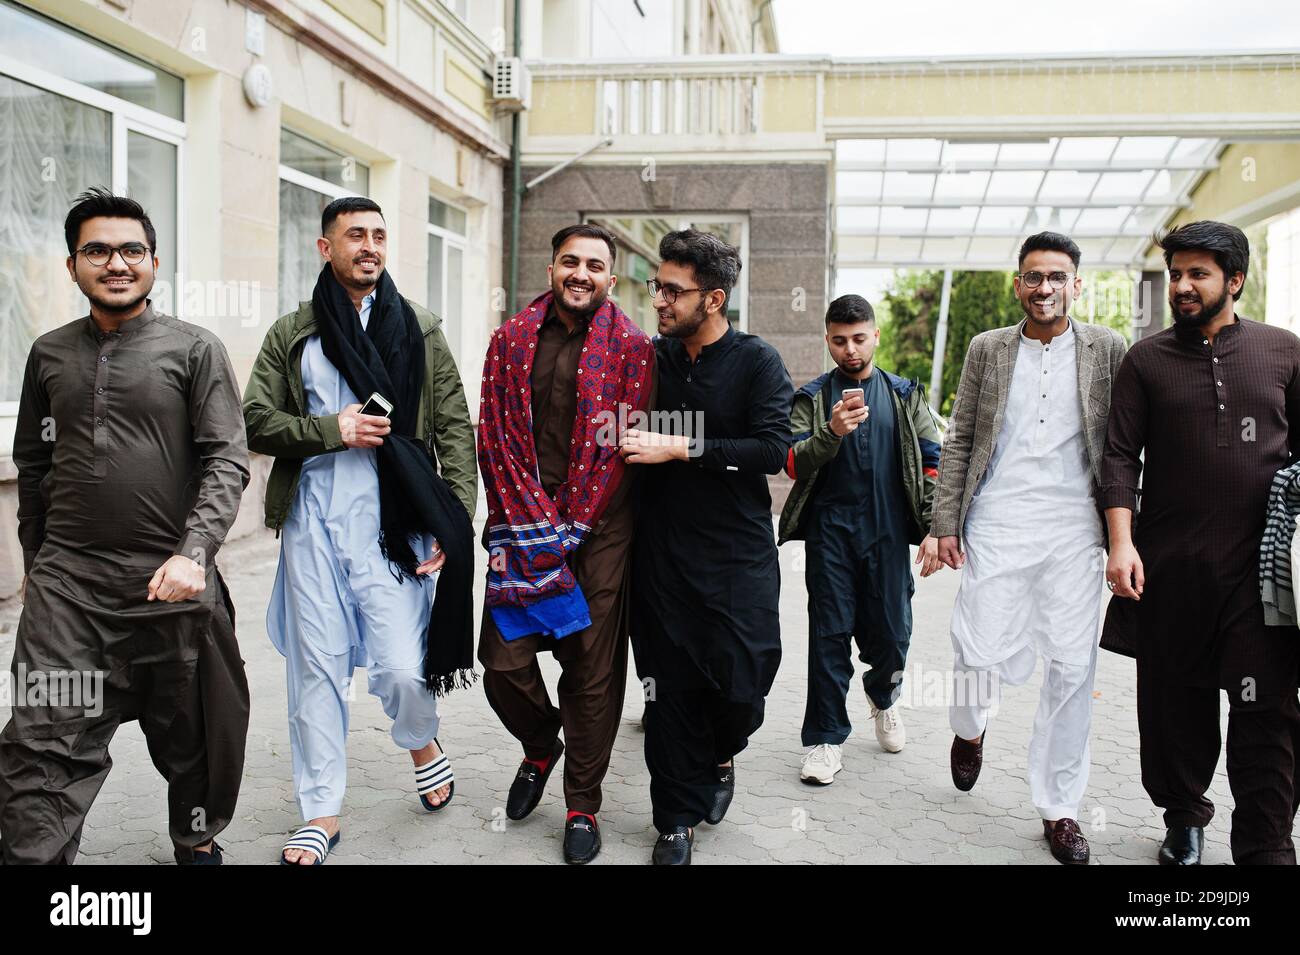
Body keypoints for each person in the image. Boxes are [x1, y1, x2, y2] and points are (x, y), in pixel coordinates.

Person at [0, 188, 250, 865]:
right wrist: (37, 560)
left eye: (131, 249)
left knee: (195, 728)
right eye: (98, 250)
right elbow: (33, 460)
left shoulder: (195, 349)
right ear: (73, 264)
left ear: (154, 262)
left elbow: (226, 458)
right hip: (70, 589)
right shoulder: (49, 353)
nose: (116, 262)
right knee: (41, 737)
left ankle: (195, 835)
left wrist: (194, 552)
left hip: (171, 582)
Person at [244, 196, 477, 865]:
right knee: (316, 670)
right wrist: (330, 429)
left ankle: (421, 739)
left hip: (394, 523)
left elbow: (456, 430)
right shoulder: (295, 331)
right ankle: (321, 808)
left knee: (405, 667)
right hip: (313, 521)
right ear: (326, 248)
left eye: (378, 233)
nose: (369, 245)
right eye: (354, 235)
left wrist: (451, 521)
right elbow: (255, 417)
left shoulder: (421, 328)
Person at [1103, 220, 1300, 865]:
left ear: (1234, 281)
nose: (1182, 286)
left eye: (1198, 275)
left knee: (1265, 708)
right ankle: (1184, 816)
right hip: (1170, 568)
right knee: (1174, 704)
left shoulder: (1282, 352)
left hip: (1259, 575)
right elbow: (1119, 458)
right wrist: (1121, 545)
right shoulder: (1147, 360)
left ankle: (1266, 844)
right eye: (1177, 274)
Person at [933, 232, 1127, 865]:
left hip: (1076, 528)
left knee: (1073, 667)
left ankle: (1060, 808)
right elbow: (960, 438)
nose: (1044, 287)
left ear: (1077, 283)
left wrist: (1125, 533)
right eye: (1033, 277)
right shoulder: (987, 349)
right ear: (1017, 284)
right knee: (974, 650)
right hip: (998, 520)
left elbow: (1123, 448)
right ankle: (970, 728)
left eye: (1057, 277)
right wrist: (945, 524)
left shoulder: (1108, 349)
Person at [477, 223, 654, 865]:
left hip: (599, 528)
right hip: (520, 524)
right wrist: (527, 516)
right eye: (570, 261)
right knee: (501, 662)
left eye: (595, 265)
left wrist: (575, 520)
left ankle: (583, 804)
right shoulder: (511, 340)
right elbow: (491, 433)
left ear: (612, 278)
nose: (581, 273)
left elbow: (628, 446)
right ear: (552, 267)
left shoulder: (633, 350)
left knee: (592, 672)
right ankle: (540, 743)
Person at [623, 229, 793, 865]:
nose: (660, 300)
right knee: (669, 688)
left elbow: (771, 448)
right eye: (657, 286)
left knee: (745, 683)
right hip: (660, 550)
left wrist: (682, 447)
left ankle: (723, 752)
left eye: (674, 290)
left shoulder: (757, 362)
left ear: (714, 299)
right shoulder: (648, 360)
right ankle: (674, 818)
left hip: (738, 553)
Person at [778, 294, 942, 785]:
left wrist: (935, 526)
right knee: (828, 638)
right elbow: (790, 461)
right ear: (827, 340)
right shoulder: (811, 397)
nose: (849, 349)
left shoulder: (904, 394)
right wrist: (831, 432)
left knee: (893, 636)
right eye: (839, 340)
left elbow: (932, 459)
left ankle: (883, 696)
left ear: (874, 335)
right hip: (830, 535)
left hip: (889, 533)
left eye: (858, 338)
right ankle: (825, 740)